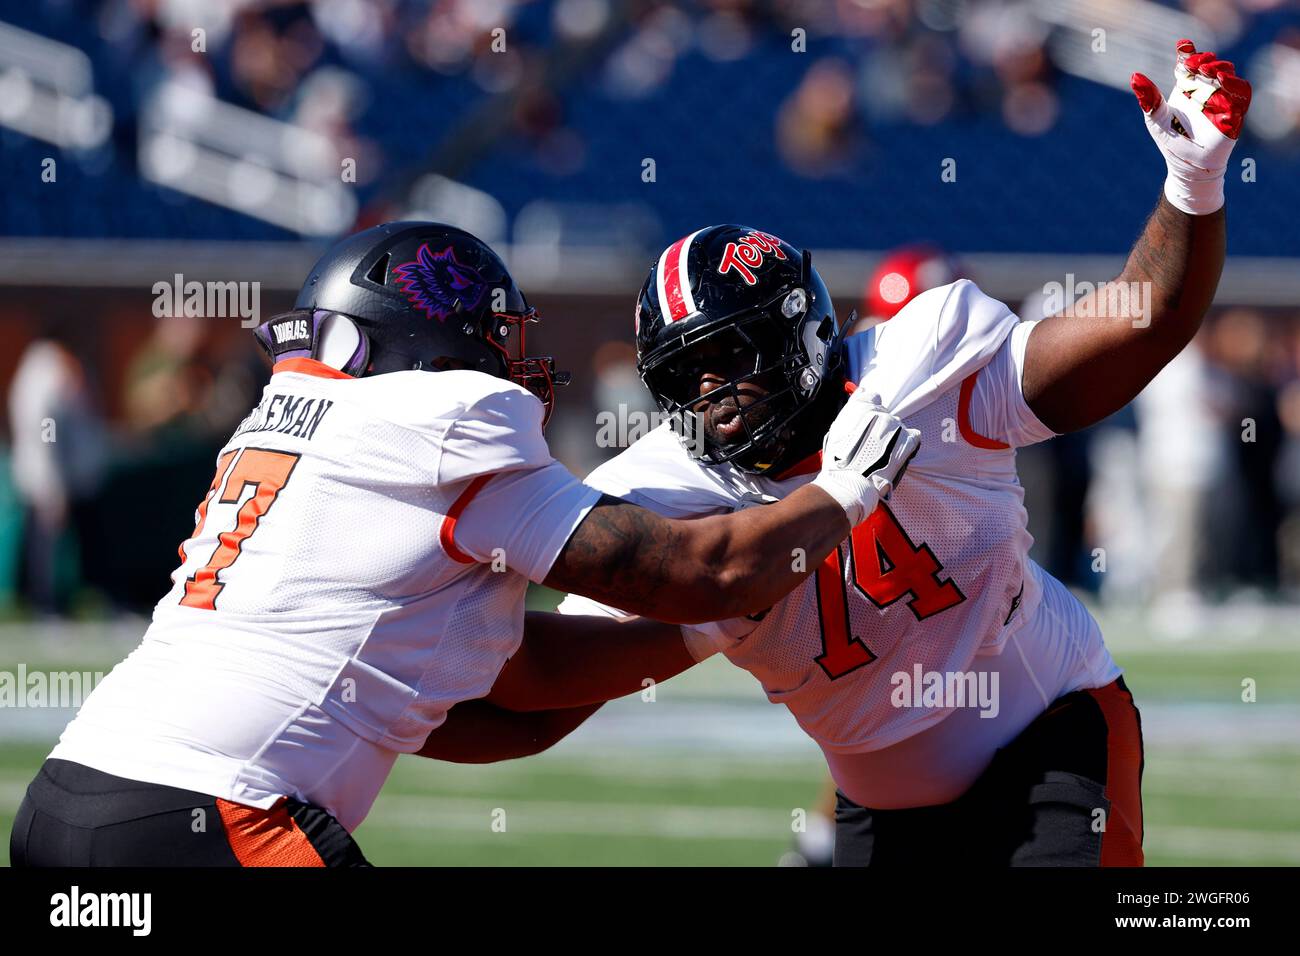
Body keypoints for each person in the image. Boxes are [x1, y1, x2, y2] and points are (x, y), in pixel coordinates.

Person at [459, 41, 1251, 866]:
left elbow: (1141, 322)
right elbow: (535, 691)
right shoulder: (663, 488)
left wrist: (1191, 184)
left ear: (799, 334)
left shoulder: (921, 372)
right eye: (685, 377)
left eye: (731, 358)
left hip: (1051, 732)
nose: (713, 396)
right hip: (876, 811)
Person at [9, 221, 918, 867]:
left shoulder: (294, 422)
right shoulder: (440, 414)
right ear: (430, 339)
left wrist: (707, 631)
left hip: (69, 802)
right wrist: (849, 486)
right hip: (211, 814)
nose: (512, 362)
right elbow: (695, 569)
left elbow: (511, 700)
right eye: (493, 334)